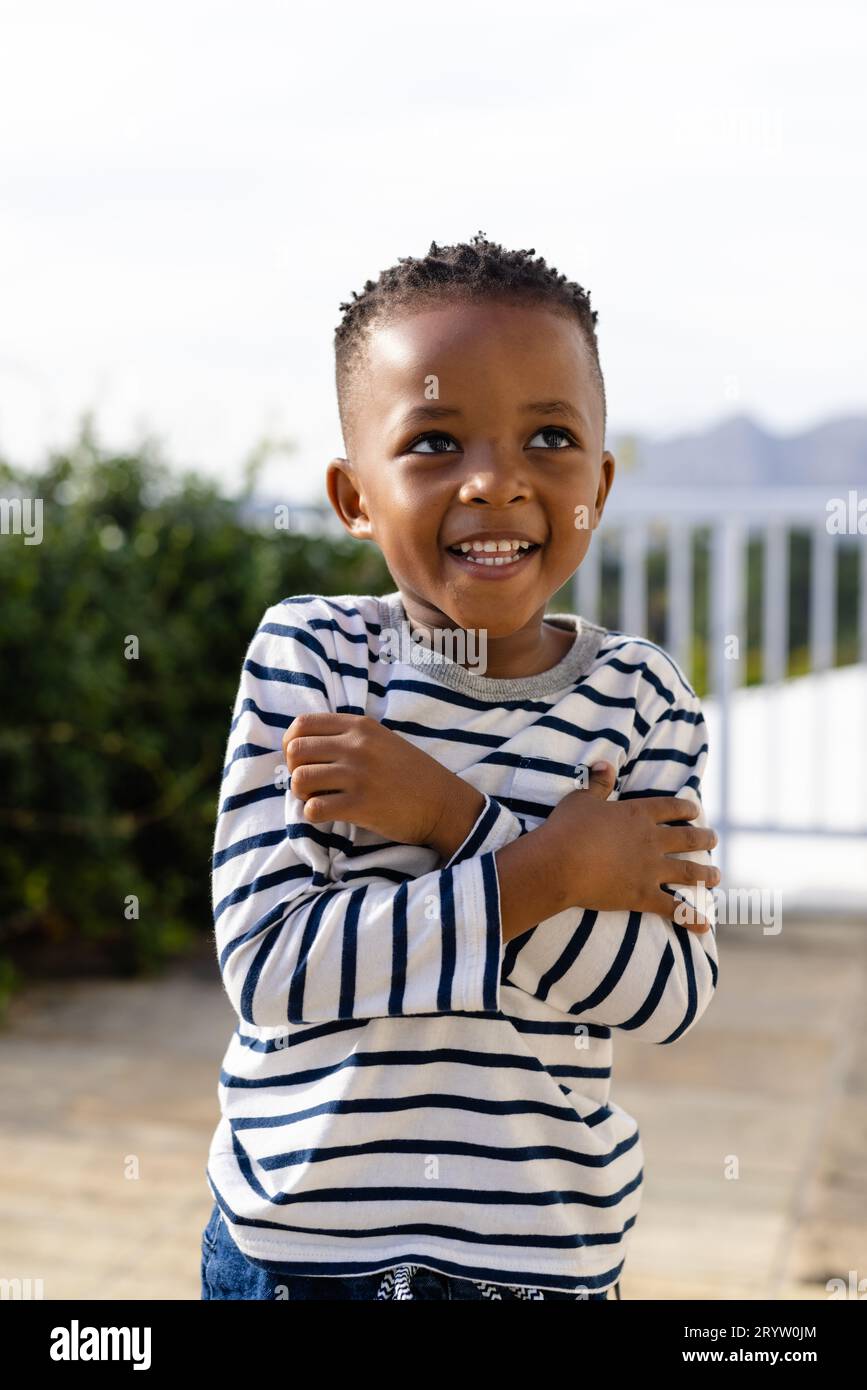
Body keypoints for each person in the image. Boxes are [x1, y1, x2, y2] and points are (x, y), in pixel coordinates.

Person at [200, 232, 721, 1301]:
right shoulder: (318, 661)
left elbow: (669, 991)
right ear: (353, 495)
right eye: (436, 442)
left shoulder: (642, 703)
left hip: (543, 1266)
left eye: (550, 437)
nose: (496, 482)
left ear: (600, 482)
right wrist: (554, 872)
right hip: (304, 1257)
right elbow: (273, 967)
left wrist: (450, 819)